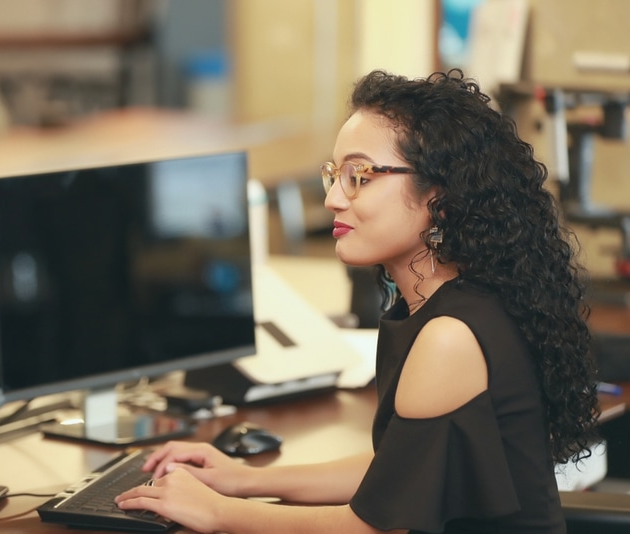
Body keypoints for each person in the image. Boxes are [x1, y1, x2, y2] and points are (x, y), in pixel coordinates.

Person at [116, 69, 601, 533]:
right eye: (335, 174)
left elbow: (373, 525)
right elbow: (397, 471)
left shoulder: (450, 337)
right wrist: (243, 480)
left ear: (438, 197)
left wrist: (219, 513)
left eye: (359, 176)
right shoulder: (445, 304)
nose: (333, 198)